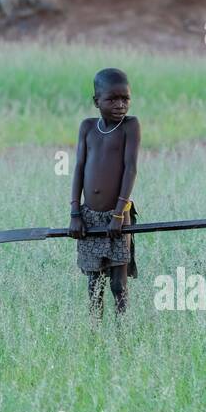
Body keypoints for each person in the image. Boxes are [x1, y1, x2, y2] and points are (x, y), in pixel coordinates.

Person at [68, 67, 140, 317]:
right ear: (96, 101)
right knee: (94, 283)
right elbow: (78, 168)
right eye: (112, 99)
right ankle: (95, 334)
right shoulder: (87, 127)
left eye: (126, 99)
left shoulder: (130, 127)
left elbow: (130, 169)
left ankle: (123, 333)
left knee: (118, 284)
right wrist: (75, 213)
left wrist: (119, 214)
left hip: (117, 215)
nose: (120, 105)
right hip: (88, 218)